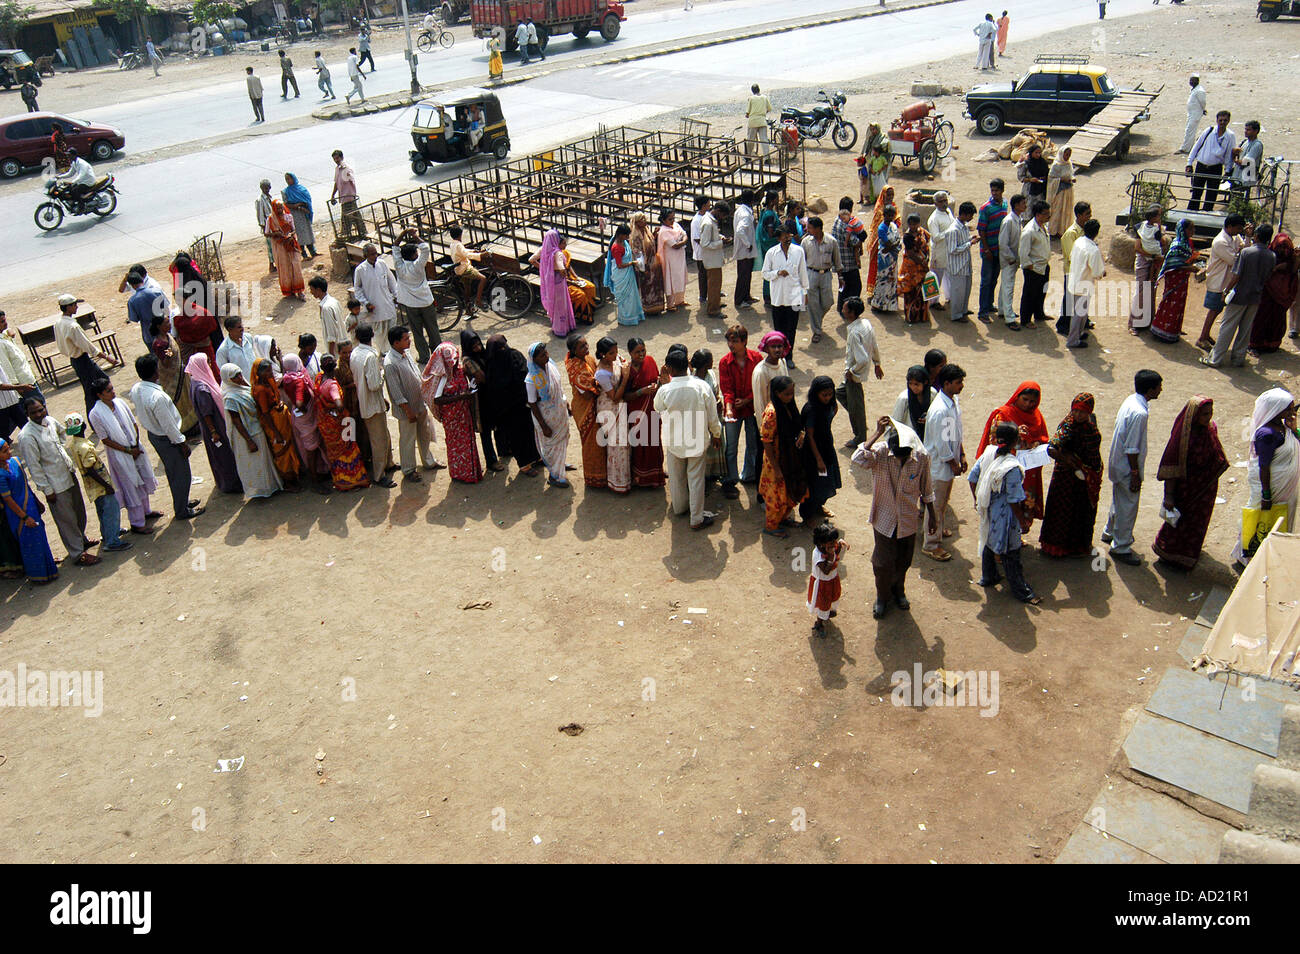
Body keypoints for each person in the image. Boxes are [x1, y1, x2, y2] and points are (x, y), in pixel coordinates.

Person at [854, 415, 937, 621]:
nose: (900, 459)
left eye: (904, 455)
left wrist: (933, 517)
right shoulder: (880, 453)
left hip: (908, 520)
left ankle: (899, 591)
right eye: (897, 454)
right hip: (884, 519)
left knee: (903, 561)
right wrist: (876, 433)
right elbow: (858, 457)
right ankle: (882, 597)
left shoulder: (921, 458)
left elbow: (926, 489)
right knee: (882, 563)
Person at [15, 398, 100, 566]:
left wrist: (59, 448)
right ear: (27, 414)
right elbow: (34, 466)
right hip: (55, 485)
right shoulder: (27, 436)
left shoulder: (50, 421)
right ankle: (77, 553)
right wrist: (47, 490)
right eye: (34, 412)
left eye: (41, 409)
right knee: (66, 519)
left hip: (68, 474)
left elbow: (62, 432)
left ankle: (81, 539)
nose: (39, 414)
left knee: (78, 511)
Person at [1150, 396, 1227, 569]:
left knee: (1197, 524)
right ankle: (1168, 554)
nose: (1208, 417)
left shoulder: (1210, 429)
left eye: (1210, 413)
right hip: (1186, 491)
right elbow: (1171, 468)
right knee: (1179, 523)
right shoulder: (1183, 438)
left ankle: (1187, 556)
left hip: (1205, 490)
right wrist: (1168, 496)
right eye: (1204, 414)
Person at [970, 422, 1041, 604]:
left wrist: (978, 499)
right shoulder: (1011, 467)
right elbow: (1013, 499)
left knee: (988, 540)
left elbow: (972, 478)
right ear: (1016, 441)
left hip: (989, 509)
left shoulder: (987, 454)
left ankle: (989, 576)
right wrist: (1023, 521)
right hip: (1006, 515)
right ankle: (1020, 590)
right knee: (1011, 551)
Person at [130, 355, 203, 520]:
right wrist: (181, 443)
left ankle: (182, 501)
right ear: (155, 371)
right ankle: (182, 510)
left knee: (174, 472)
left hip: (155, 435)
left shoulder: (137, 389)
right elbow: (168, 425)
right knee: (181, 474)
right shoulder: (158, 398)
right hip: (167, 438)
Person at [655, 349, 721, 530]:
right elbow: (712, 416)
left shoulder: (666, 390)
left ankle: (679, 508)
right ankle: (697, 518)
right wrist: (716, 434)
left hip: (674, 441)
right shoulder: (701, 386)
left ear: (669, 369)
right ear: (688, 365)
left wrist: (662, 382)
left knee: (676, 478)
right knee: (696, 479)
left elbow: (657, 406)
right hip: (697, 441)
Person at [1102, 369, 1162, 566]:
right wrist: (1135, 474)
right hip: (1127, 467)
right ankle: (1121, 546)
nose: (1161, 390)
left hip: (1117, 463)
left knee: (1119, 501)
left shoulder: (1131, 401)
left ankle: (1109, 531)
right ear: (1150, 389)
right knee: (1128, 506)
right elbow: (1132, 448)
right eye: (1159, 386)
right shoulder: (1140, 413)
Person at [1235, 388, 1298, 566]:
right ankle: (1249, 558)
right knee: (1261, 522)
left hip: (1285, 489)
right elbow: (1264, 467)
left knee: (1279, 521)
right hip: (1273, 489)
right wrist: (1266, 494)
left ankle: (1270, 556)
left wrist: (1294, 430)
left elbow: (1295, 445)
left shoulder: (1283, 428)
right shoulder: (1268, 435)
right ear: (1276, 410)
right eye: (1289, 409)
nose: (1292, 413)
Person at [977, 382, 1049, 533]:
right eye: (1025, 399)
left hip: (1029, 469)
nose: (1029, 404)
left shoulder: (1036, 416)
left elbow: (1042, 438)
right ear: (1017, 397)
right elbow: (995, 442)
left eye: (1033, 401)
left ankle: (1017, 532)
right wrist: (1017, 435)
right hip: (1008, 469)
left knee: (1023, 501)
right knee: (1007, 502)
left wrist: (1036, 444)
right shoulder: (1003, 415)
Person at [87, 377, 157, 533]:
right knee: (130, 486)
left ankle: (146, 511)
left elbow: (133, 424)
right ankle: (137, 523)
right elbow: (105, 439)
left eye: (112, 389)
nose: (113, 392)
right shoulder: (95, 414)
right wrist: (127, 451)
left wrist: (135, 445)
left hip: (135, 448)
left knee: (142, 479)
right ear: (99, 395)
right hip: (119, 455)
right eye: (108, 391)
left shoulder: (119, 403)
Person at [1038, 393, 1104, 558]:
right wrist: (1069, 462)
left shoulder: (1091, 426)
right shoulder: (1068, 426)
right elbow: (1052, 449)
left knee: (1082, 511)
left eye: (1082, 412)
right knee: (1062, 510)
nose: (1078, 415)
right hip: (1066, 478)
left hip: (1086, 478)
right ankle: (1056, 547)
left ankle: (1079, 546)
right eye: (1075, 411)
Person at [1203, 224, 1277, 368]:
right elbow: (1268, 276)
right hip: (1256, 296)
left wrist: (1225, 291)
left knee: (1227, 327)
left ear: (1256, 236)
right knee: (1246, 329)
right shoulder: (1272, 256)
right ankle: (1238, 359)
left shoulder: (1247, 253)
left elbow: (1236, 275)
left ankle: (1215, 359)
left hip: (1239, 295)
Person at [63, 412, 130, 553]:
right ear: (84, 426)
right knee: (111, 510)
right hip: (101, 485)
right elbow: (90, 469)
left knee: (103, 511)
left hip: (92, 486)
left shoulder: (74, 444)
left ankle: (108, 534)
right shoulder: (85, 447)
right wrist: (106, 485)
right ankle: (112, 541)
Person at [922, 363, 966, 560]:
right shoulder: (941, 410)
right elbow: (941, 444)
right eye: (958, 382)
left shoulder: (952, 401)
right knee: (936, 505)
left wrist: (961, 454)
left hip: (948, 464)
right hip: (940, 467)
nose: (961, 386)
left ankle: (937, 531)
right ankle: (931, 544)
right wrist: (953, 463)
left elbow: (954, 433)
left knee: (942, 503)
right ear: (946, 383)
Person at [385, 327, 440, 482]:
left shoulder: (406, 353)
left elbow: (417, 374)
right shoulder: (390, 363)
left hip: (419, 403)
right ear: (396, 343)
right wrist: (408, 411)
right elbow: (396, 392)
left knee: (424, 433)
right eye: (405, 339)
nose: (409, 341)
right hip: (407, 410)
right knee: (408, 439)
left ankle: (429, 462)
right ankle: (409, 469)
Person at [0, 438, 58, 583]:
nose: (9, 452)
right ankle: (38, 576)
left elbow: (26, 485)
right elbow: (8, 500)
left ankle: (49, 568)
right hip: (18, 514)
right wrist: (25, 517)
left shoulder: (16, 462)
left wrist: (37, 502)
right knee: (29, 542)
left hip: (31, 506)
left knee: (40, 536)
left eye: (8, 448)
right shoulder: (0, 475)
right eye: (4, 451)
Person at [483, 335, 542, 476]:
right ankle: (524, 464)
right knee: (516, 437)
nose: (504, 350)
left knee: (530, 431)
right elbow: (493, 390)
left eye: (504, 346)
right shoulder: (491, 367)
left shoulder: (514, 355)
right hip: (507, 409)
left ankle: (536, 457)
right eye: (500, 349)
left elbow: (526, 373)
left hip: (523, 403)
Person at [185, 353, 241, 495]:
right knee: (225, 455)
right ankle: (232, 484)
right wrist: (214, 431)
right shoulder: (202, 389)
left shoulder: (196, 381)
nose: (210, 364)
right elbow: (207, 413)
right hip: (216, 427)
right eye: (207, 361)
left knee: (219, 456)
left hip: (212, 427)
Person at [759, 376, 808, 538]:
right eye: (787, 394)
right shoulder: (772, 413)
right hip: (776, 461)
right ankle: (771, 526)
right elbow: (766, 441)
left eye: (792, 393)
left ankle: (783, 518)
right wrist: (776, 467)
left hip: (790, 458)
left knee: (789, 490)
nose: (790, 397)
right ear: (777, 393)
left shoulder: (788, 407)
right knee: (776, 494)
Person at [55, 294, 120, 416]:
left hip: (76, 360)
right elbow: (88, 346)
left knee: (102, 381)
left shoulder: (59, 323)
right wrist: (107, 358)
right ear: (67, 307)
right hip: (82, 360)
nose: (76, 307)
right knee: (91, 390)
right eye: (74, 305)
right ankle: (95, 417)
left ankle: (106, 408)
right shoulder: (72, 326)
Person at [717, 324, 762, 499]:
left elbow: (759, 385)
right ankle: (730, 479)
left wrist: (747, 400)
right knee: (731, 447)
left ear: (744, 341)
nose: (731, 345)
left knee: (753, 444)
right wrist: (729, 408)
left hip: (751, 408)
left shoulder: (757, 359)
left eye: (734, 341)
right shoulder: (724, 362)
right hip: (734, 410)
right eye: (729, 341)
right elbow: (726, 389)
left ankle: (749, 475)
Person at [350, 325, 396, 486]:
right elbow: (374, 385)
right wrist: (382, 373)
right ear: (372, 336)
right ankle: (379, 475)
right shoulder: (370, 357)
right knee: (379, 441)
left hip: (367, 402)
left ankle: (389, 463)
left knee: (383, 434)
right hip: (372, 404)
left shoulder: (355, 353)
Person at [1196, 214, 1247, 351]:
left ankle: (1206, 335)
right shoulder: (1220, 242)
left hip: (1225, 280)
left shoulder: (1234, 237)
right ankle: (1202, 337)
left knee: (1217, 310)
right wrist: (1240, 251)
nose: (1240, 231)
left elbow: (1244, 248)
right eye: (1238, 228)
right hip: (1218, 281)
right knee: (1214, 310)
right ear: (1230, 226)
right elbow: (1234, 260)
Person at [250, 358, 303, 488]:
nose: (270, 373)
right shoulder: (261, 389)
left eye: (270, 370)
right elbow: (265, 413)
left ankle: (294, 475)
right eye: (267, 371)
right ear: (259, 373)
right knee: (281, 451)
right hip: (274, 423)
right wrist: (276, 432)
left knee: (289, 445)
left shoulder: (269, 382)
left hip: (280, 417)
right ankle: (288, 482)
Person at [388, 230, 440, 362]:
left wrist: (403, 233)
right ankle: (438, 353)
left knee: (417, 332)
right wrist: (415, 236)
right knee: (432, 329)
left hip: (410, 304)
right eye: (416, 253)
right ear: (413, 255)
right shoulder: (418, 265)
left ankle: (423, 356)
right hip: (426, 302)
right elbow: (425, 248)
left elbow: (394, 247)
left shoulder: (399, 266)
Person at [278, 354, 328, 490]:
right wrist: (303, 408)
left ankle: (318, 472)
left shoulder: (287, 378)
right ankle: (315, 480)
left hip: (299, 418)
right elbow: (299, 401)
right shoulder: (299, 380)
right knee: (311, 449)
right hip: (305, 419)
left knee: (310, 447)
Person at [837, 297, 882, 447]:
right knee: (840, 393)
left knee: (856, 405)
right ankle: (859, 420)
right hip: (854, 374)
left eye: (844, 309)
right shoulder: (866, 324)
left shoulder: (854, 333)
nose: (842, 310)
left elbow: (862, 359)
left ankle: (860, 436)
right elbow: (874, 344)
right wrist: (877, 363)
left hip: (854, 376)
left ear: (851, 313)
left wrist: (851, 371)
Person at [525, 342, 570, 487]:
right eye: (542, 355)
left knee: (563, 438)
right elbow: (532, 403)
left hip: (559, 411)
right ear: (534, 359)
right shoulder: (532, 379)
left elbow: (558, 386)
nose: (546, 356)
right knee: (551, 445)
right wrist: (543, 426)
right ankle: (554, 475)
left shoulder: (550, 366)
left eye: (546, 352)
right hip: (546, 416)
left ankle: (560, 464)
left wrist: (566, 403)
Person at [1149, 219, 1201, 342]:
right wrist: (1189, 267)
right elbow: (1173, 264)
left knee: (1179, 303)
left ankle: (1173, 329)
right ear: (1183, 230)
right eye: (1190, 229)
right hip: (1174, 279)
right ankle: (1162, 330)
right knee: (1170, 302)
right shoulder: (1177, 245)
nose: (1193, 231)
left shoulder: (1188, 243)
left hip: (1183, 279)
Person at [799, 376, 841, 525]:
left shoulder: (831, 405)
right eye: (824, 395)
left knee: (827, 481)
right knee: (814, 485)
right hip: (814, 453)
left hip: (827, 448)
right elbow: (810, 436)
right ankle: (807, 515)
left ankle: (818, 507)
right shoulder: (811, 409)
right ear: (816, 393)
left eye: (830, 394)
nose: (827, 398)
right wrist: (818, 460)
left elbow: (831, 415)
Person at [592, 336, 630, 494]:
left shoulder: (614, 361)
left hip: (618, 408)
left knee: (624, 445)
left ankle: (625, 480)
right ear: (602, 355)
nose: (615, 355)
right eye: (611, 353)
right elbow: (614, 397)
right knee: (616, 447)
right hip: (609, 409)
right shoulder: (601, 373)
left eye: (615, 351)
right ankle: (617, 482)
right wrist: (626, 377)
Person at [565, 335, 604, 489]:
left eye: (586, 344)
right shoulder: (576, 369)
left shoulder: (587, 359)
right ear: (573, 350)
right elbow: (588, 394)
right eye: (582, 347)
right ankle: (594, 478)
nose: (587, 348)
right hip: (584, 408)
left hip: (593, 405)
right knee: (591, 443)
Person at [625, 339, 666, 488]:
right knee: (640, 446)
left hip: (652, 410)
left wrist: (659, 383)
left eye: (643, 350)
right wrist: (642, 391)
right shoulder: (628, 371)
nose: (641, 354)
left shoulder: (650, 361)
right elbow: (625, 396)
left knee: (654, 443)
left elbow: (657, 380)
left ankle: (656, 473)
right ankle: (641, 477)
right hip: (637, 414)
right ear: (630, 353)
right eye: (637, 352)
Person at [1249, 232, 1298, 354]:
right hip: (1267, 292)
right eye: (1280, 247)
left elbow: (1293, 271)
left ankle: (1272, 344)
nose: (1282, 250)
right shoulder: (1268, 255)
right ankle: (1255, 344)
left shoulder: (1291, 257)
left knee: (1277, 319)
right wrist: (1276, 268)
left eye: (1285, 247)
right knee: (1261, 317)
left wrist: (1296, 259)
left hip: (1282, 295)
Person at [526, 228, 579, 337]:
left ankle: (557, 327)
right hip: (558, 282)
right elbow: (561, 268)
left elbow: (531, 260)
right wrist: (565, 276)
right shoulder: (557, 253)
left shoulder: (543, 249)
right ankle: (563, 329)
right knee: (561, 306)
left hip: (548, 281)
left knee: (554, 306)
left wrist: (544, 268)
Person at [0, 313, 42, 439]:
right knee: (36, 411)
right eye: (2, 321)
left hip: (17, 391)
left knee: (21, 419)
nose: (5, 323)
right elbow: (7, 368)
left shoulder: (4, 336)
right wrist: (19, 386)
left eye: (4, 320)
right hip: (16, 391)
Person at [1186, 110, 1235, 212]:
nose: (1222, 122)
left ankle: (1206, 213)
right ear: (1217, 120)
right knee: (1196, 193)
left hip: (1216, 168)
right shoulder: (1209, 131)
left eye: (1225, 120)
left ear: (1228, 121)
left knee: (1211, 195)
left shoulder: (1230, 136)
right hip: (1202, 166)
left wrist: (1227, 170)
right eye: (1220, 120)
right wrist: (1189, 163)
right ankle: (1190, 213)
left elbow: (1229, 155)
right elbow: (1196, 146)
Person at [801, 217, 840, 342]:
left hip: (826, 274)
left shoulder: (831, 241)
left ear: (818, 229)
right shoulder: (806, 242)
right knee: (813, 304)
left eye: (810, 227)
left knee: (828, 302)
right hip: (811, 273)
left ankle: (817, 319)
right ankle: (817, 330)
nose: (808, 229)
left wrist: (841, 276)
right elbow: (801, 262)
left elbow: (837, 261)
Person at [354, 244, 400, 352]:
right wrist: (366, 303)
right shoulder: (360, 270)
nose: (375, 256)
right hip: (374, 307)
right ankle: (384, 352)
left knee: (392, 329)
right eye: (372, 254)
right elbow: (358, 289)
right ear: (365, 255)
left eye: (376, 253)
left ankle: (392, 350)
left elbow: (391, 281)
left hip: (387, 303)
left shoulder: (382, 264)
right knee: (379, 333)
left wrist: (397, 295)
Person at [1067, 219, 1104, 349]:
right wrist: (1102, 273)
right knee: (1079, 314)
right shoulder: (1093, 249)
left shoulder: (1078, 241)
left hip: (1075, 280)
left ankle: (1078, 334)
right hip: (1084, 284)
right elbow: (1097, 272)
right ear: (1096, 233)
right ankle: (1073, 340)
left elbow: (1071, 256)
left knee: (1081, 312)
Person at [1129, 204, 1166, 333]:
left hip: (1153, 262)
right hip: (1144, 262)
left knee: (1150, 290)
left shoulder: (1155, 230)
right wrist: (1152, 255)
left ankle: (1147, 321)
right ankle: (1134, 323)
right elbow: (1138, 248)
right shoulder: (1141, 228)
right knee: (1140, 292)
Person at [806, 522, 848, 634]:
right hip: (822, 584)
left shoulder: (830, 548)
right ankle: (819, 623)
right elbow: (825, 571)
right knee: (823, 603)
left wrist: (840, 545)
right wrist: (829, 558)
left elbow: (835, 554)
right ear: (821, 543)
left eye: (835, 541)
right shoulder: (817, 555)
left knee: (833, 596)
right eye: (832, 542)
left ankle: (827, 612)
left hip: (832, 580)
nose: (834, 545)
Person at [976, 178, 1008, 322]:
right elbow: (981, 230)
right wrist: (987, 250)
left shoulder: (1005, 204)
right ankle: (982, 312)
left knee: (994, 279)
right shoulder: (985, 208)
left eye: (997, 190)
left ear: (1002, 191)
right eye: (992, 190)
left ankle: (989, 304)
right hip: (989, 250)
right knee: (986, 281)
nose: (994, 193)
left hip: (999, 249)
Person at [1058, 200, 1091, 334]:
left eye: (1090, 213)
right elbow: (1072, 256)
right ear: (1078, 215)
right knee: (1070, 299)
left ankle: (1084, 321)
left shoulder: (1085, 231)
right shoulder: (1071, 233)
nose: (1089, 216)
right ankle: (1063, 325)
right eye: (1087, 214)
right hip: (1072, 272)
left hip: (1083, 271)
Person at [1018, 200, 1052, 327]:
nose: (1048, 216)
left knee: (1041, 291)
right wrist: (1030, 266)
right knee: (1030, 294)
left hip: (1043, 266)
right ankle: (1026, 319)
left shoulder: (1043, 226)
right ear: (1038, 215)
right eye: (1046, 214)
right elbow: (1023, 252)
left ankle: (1039, 313)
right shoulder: (1029, 231)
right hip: (1033, 268)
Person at [604, 224, 645, 326]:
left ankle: (634, 315)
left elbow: (627, 253)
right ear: (621, 235)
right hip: (621, 274)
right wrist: (633, 263)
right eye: (626, 236)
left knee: (632, 296)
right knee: (626, 298)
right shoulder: (616, 247)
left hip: (627, 273)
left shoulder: (623, 243)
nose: (628, 238)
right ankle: (626, 318)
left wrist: (633, 252)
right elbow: (620, 265)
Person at [942, 201, 976, 322]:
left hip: (965, 264)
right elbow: (953, 250)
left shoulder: (963, 227)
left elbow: (962, 241)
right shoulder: (953, 230)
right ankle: (956, 315)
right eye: (970, 215)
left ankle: (963, 310)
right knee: (958, 292)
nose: (971, 218)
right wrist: (969, 243)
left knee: (966, 289)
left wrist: (971, 239)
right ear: (965, 214)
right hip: (957, 267)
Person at [265, 198, 306, 299]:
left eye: (281, 208)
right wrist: (276, 234)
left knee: (295, 265)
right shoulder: (270, 219)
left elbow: (293, 229)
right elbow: (266, 233)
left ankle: (299, 290)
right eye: (277, 208)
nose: (280, 210)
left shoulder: (288, 216)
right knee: (284, 268)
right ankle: (289, 291)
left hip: (290, 244)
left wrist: (290, 236)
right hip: (279, 246)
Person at [997, 193, 1026, 328]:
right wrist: (1011, 258)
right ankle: (1009, 318)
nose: (1025, 205)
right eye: (1023, 203)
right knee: (1008, 287)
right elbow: (1003, 243)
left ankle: (1003, 310)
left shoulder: (1017, 219)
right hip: (1009, 260)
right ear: (1016, 205)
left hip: (1013, 258)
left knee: (1005, 285)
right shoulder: (1009, 221)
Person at [750, 330, 790, 423]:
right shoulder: (761, 372)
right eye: (773, 347)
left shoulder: (782, 362)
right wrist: (763, 428)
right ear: (767, 349)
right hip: (769, 422)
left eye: (779, 346)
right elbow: (759, 403)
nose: (777, 350)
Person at [833, 198, 866, 308]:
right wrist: (861, 236)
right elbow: (855, 242)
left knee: (843, 286)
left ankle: (841, 307)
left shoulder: (836, 220)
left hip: (840, 260)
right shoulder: (846, 225)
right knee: (855, 287)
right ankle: (849, 309)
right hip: (848, 262)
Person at [898, 215, 931, 325]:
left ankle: (923, 315)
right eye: (910, 224)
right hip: (912, 268)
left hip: (922, 267)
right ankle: (912, 316)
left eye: (915, 224)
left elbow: (927, 244)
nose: (912, 226)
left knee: (922, 292)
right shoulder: (907, 237)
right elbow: (911, 254)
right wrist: (923, 263)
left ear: (918, 224)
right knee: (911, 291)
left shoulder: (922, 232)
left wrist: (925, 261)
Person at [699, 201, 729, 318]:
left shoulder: (711, 220)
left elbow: (713, 236)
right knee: (714, 285)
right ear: (718, 211)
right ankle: (713, 310)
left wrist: (720, 238)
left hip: (714, 258)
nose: (722, 218)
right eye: (723, 215)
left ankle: (716, 303)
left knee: (717, 284)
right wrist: (720, 243)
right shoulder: (708, 223)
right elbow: (705, 243)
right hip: (711, 260)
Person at [447, 226, 487, 316]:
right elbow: (465, 254)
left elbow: (463, 251)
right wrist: (481, 255)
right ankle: (478, 301)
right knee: (483, 279)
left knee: (467, 289)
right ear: (460, 235)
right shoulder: (458, 244)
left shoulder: (453, 244)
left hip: (458, 269)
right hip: (464, 268)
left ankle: (469, 310)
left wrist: (474, 251)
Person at [870, 206, 902, 314]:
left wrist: (894, 245)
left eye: (892, 215)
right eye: (888, 215)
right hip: (885, 259)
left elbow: (895, 242)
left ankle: (889, 305)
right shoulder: (882, 228)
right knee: (882, 280)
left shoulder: (893, 226)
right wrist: (896, 244)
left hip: (892, 258)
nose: (890, 217)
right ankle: (878, 304)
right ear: (884, 215)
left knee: (891, 281)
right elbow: (889, 244)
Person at [656, 209, 690, 312]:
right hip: (670, 259)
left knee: (680, 278)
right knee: (670, 280)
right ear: (663, 220)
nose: (672, 221)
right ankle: (670, 304)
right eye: (670, 219)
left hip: (680, 257)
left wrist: (682, 241)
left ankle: (680, 300)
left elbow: (685, 235)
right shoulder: (663, 231)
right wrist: (683, 241)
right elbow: (675, 245)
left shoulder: (676, 225)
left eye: (673, 218)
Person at [926, 193, 954, 310]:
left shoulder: (947, 211)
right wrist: (950, 231)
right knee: (935, 276)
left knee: (948, 275)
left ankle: (949, 297)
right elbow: (936, 237)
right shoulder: (934, 218)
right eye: (941, 201)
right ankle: (933, 302)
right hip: (939, 251)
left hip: (949, 250)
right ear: (935, 203)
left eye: (945, 200)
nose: (944, 203)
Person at [124, 271, 167, 349]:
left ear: (132, 286)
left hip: (149, 334)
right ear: (142, 280)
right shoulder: (157, 291)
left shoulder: (132, 301)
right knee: (169, 353)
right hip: (164, 329)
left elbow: (134, 319)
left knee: (156, 357)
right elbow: (166, 307)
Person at [330, 150, 364, 241]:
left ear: (342, 157)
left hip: (349, 197)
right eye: (334, 159)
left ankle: (361, 234)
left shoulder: (346, 168)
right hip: (343, 198)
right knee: (349, 217)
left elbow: (351, 177)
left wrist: (348, 174)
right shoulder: (337, 169)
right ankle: (352, 235)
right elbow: (336, 183)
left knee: (352, 217)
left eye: (337, 158)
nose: (336, 160)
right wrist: (333, 195)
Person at [892, 365, 933, 439]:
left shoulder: (933, 394)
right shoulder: (904, 399)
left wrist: (929, 419)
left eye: (916, 384)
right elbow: (896, 422)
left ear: (925, 382)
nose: (913, 387)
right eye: (910, 384)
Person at [732, 191, 758, 307]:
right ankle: (739, 300)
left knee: (747, 274)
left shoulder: (741, 211)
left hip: (746, 250)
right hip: (745, 250)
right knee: (743, 275)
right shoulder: (745, 215)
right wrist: (748, 244)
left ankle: (747, 296)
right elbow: (740, 230)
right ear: (752, 201)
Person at [282, 173, 316, 259]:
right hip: (295, 215)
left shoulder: (302, 189)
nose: (288, 181)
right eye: (286, 179)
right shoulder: (285, 192)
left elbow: (308, 200)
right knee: (299, 235)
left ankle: (313, 251)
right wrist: (296, 206)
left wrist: (303, 205)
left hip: (304, 213)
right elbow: (285, 204)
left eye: (289, 179)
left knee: (307, 232)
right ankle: (304, 254)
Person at [1046, 148, 1076, 237]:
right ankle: (1053, 231)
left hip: (1067, 191)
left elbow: (1070, 174)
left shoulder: (1069, 164)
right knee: (1057, 210)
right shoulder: (1056, 165)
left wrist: (1072, 178)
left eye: (1069, 154)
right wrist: (1062, 179)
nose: (1067, 157)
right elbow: (1051, 178)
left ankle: (1062, 230)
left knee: (1066, 210)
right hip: (1059, 192)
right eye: (1066, 154)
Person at [1233, 120, 1264, 189]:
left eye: (1248, 130)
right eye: (1245, 129)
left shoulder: (1257, 145)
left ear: (1256, 131)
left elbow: (1245, 162)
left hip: (1246, 180)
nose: (1246, 131)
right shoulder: (1244, 142)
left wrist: (1234, 160)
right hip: (1237, 177)